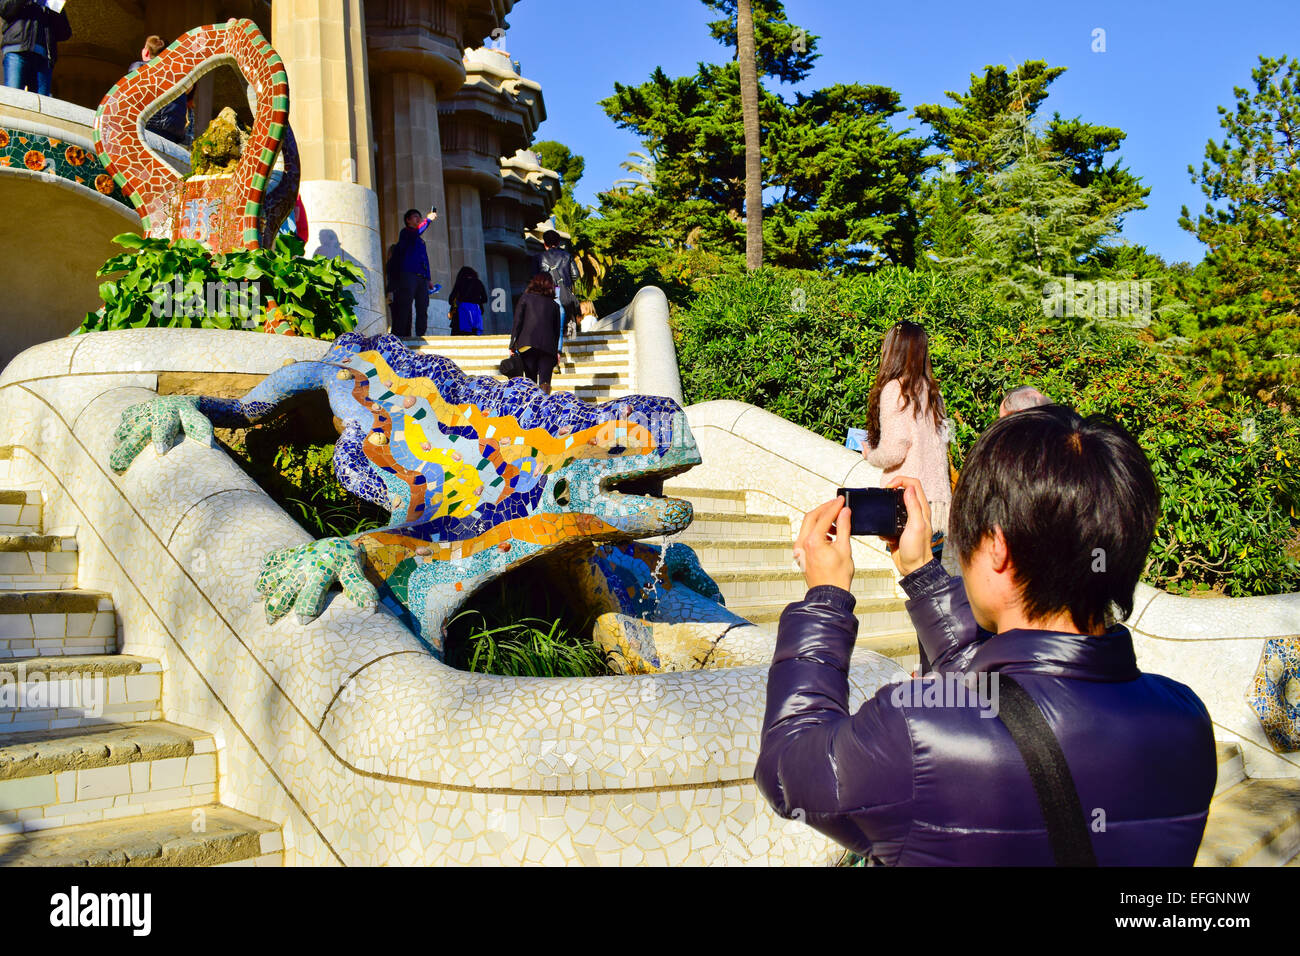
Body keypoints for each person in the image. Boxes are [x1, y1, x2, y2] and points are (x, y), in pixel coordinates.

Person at [756, 405, 1217, 866]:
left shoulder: (914, 730)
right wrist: (919, 571)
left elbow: (789, 768)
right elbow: (1011, 702)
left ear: (996, 548)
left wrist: (825, 598)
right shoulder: (1186, 720)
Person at [862, 320, 951, 566]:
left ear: (893, 350)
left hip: (907, 505)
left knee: (915, 579)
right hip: (936, 503)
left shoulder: (895, 389)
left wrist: (870, 454)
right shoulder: (933, 392)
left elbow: (895, 450)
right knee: (932, 579)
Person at [128, 35, 192, 145]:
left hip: (149, 127)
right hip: (173, 132)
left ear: (146, 53)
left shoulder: (139, 68)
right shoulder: (178, 74)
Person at [1, 0, 70, 96]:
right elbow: (5, 10)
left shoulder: (50, 1)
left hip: (43, 58)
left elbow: (65, 33)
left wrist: (56, 8)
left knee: (41, 103)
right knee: (13, 97)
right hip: (17, 51)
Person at [390, 207, 438, 338]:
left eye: (419, 217)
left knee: (423, 307)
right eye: (415, 217)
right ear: (408, 220)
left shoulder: (421, 241)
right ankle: (400, 335)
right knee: (405, 305)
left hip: (421, 277)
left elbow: (425, 260)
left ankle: (420, 335)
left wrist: (428, 279)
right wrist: (428, 220)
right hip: (408, 274)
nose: (418, 219)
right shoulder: (406, 233)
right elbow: (417, 231)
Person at [510, 273, 561, 394]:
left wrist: (512, 345)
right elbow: (556, 331)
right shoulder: (554, 305)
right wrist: (557, 352)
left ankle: (531, 405)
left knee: (530, 380)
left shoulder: (525, 298)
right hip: (548, 348)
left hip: (527, 345)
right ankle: (543, 405)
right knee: (545, 382)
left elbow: (517, 322)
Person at [534, 230, 579, 341]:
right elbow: (575, 275)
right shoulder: (567, 256)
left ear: (544, 243)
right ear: (558, 242)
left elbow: (534, 278)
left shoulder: (538, 258)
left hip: (547, 293)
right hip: (563, 292)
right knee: (565, 316)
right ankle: (568, 339)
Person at [448, 266, 488, 336]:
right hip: (474, 316)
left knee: (458, 336)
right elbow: (485, 299)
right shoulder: (478, 283)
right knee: (473, 335)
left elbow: (451, 299)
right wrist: (475, 302)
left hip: (460, 316)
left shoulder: (460, 282)